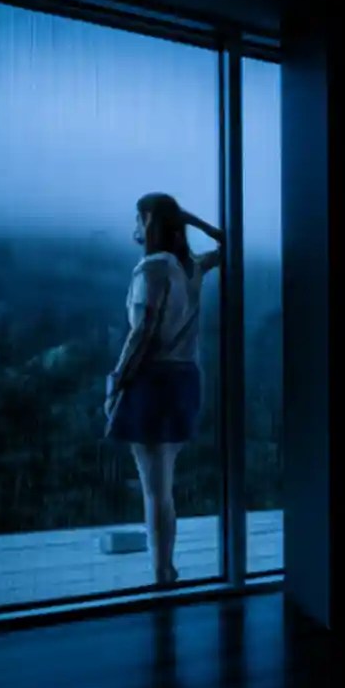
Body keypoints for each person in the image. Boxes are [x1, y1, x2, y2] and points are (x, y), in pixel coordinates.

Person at [105, 193, 223, 585]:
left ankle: (163, 571)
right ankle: (164, 567)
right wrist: (191, 221)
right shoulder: (191, 267)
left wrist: (117, 381)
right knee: (163, 485)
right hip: (186, 377)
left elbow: (142, 332)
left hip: (154, 382)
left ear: (148, 220)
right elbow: (228, 245)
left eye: (138, 219)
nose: (134, 228)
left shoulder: (152, 269)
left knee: (155, 490)